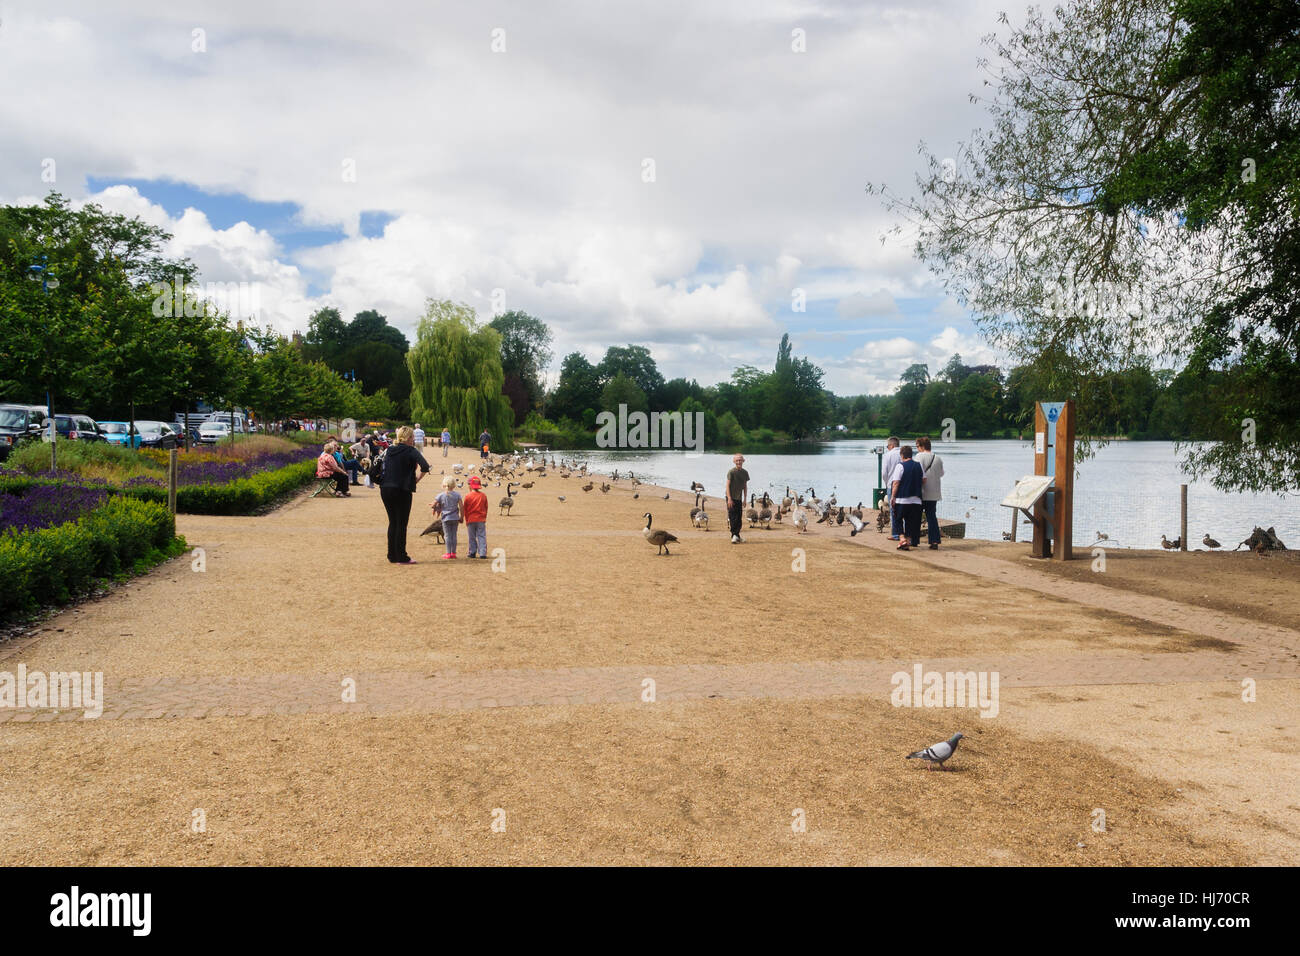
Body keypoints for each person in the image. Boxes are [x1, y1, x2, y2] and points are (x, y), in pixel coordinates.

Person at [379, 425, 431, 565]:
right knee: (401, 524)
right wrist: (417, 480)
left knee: (393, 522)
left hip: (386, 488)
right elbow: (425, 466)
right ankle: (402, 556)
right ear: (408, 438)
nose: (414, 440)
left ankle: (392, 555)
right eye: (412, 437)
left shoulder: (390, 449)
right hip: (402, 489)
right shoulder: (411, 451)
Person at [889, 445, 924, 551]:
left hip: (902, 499)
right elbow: (924, 480)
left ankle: (902, 538)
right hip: (916, 500)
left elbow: (896, 483)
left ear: (902, 455)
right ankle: (908, 541)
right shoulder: (919, 465)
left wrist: (893, 497)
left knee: (898, 519)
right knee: (911, 521)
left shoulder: (900, 466)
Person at [915, 435, 944, 550]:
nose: (917, 449)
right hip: (934, 492)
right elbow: (941, 474)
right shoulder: (938, 458)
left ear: (922, 446)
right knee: (932, 517)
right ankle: (934, 541)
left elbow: (916, 472)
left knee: (916, 516)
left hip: (922, 491)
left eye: (917, 446)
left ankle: (914, 539)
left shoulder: (919, 456)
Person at [434, 475, 463, 559]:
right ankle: (453, 553)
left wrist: (435, 509)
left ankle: (448, 553)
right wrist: (461, 517)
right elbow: (461, 506)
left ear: (443, 485)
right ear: (454, 485)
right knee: (454, 535)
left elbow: (436, 505)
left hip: (446, 519)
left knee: (447, 536)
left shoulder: (440, 495)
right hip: (455, 519)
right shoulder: (457, 495)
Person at [725, 453, 750, 544]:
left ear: (743, 461)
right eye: (737, 460)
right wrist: (729, 498)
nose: (739, 462)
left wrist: (745, 499)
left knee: (739, 518)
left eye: (740, 460)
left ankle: (737, 536)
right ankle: (734, 536)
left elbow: (745, 486)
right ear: (734, 461)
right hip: (731, 497)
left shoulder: (745, 473)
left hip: (739, 498)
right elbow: (727, 485)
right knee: (733, 517)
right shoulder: (731, 472)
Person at [880, 436, 902, 540]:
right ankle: (904, 533)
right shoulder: (904, 454)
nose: (887, 448)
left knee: (893, 510)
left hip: (891, 484)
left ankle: (896, 534)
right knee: (903, 509)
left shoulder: (888, 455)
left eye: (887, 446)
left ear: (892, 445)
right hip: (903, 485)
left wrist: (886, 483)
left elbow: (884, 473)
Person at [463, 475, 489, 559]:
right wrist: (484, 517)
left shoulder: (468, 496)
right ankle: (482, 553)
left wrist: (466, 520)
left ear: (470, 485)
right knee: (481, 536)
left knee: (472, 537)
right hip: (481, 519)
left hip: (471, 519)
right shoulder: (483, 496)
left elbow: (465, 509)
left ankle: (472, 552)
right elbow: (486, 507)